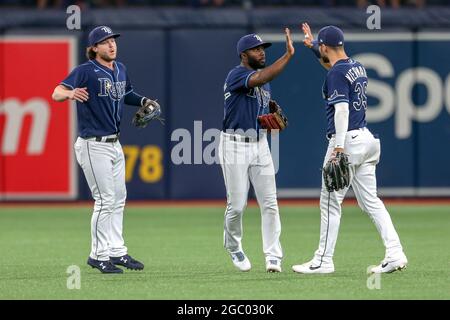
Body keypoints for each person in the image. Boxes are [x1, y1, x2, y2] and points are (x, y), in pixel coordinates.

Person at [292, 23, 407, 274]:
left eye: (319, 47)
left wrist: (339, 148)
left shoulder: (335, 73)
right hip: (367, 140)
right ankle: (395, 252)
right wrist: (312, 45)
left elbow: (342, 110)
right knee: (371, 202)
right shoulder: (357, 66)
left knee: (331, 203)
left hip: (347, 142)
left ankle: (323, 260)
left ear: (325, 47)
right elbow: (331, 63)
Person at [52, 26, 153, 274]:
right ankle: (97, 255)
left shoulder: (120, 69)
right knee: (105, 200)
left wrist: (143, 101)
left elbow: (126, 93)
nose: (111, 45)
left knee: (118, 199)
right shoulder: (85, 71)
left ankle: (117, 251)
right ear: (94, 48)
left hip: (114, 143)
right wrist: (70, 93)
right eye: (105, 41)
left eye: (113, 40)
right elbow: (55, 93)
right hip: (92, 144)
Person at [219, 30, 294, 272]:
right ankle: (232, 245)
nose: (262, 52)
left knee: (270, 202)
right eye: (256, 49)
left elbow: (257, 107)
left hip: (260, 144)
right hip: (234, 145)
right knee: (237, 205)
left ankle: (273, 255)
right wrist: (288, 55)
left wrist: (268, 119)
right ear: (243, 54)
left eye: (263, 48)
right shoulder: (236, 74)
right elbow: (261, 77)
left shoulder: (263, 81)